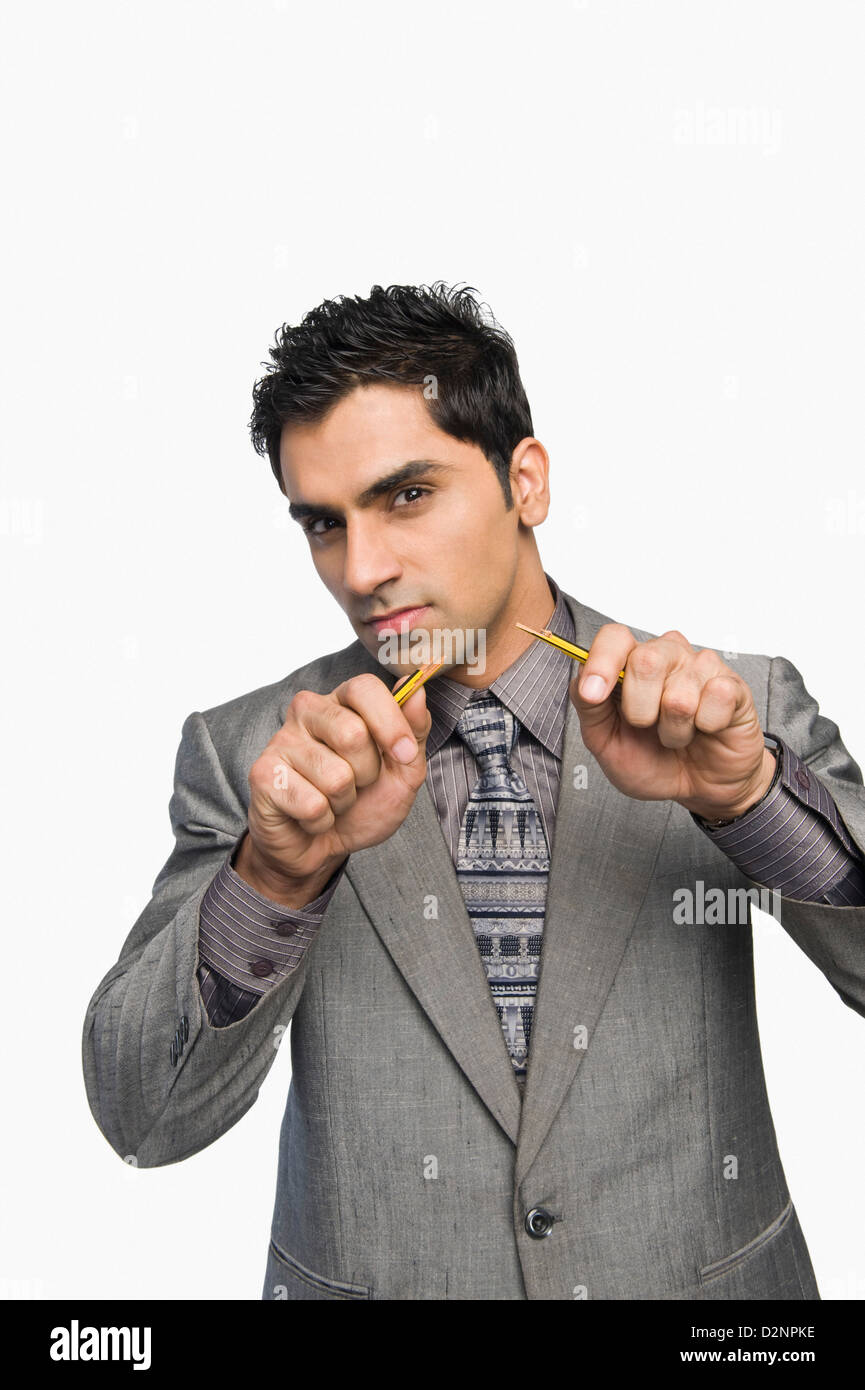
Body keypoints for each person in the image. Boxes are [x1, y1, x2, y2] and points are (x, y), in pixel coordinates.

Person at [82, 282, 865, 1300]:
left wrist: (748, 798)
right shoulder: (258, 756)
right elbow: (144, 1119)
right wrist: (276, 876)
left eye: (406, 494)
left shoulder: (730, 706)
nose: (362, 568)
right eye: (323, 523)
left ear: (525, 481)